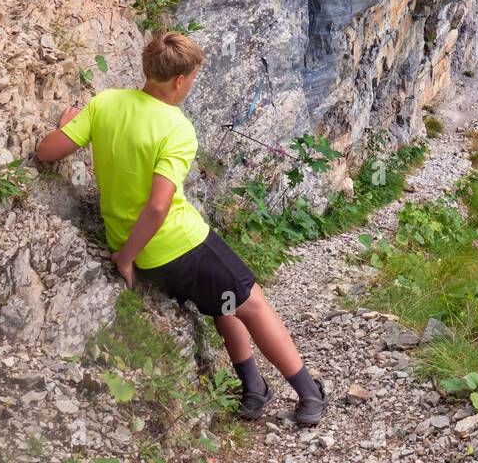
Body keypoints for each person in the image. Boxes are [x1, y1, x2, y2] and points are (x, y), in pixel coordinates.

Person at [35, 31, 326, 427]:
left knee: (222, 300)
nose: (191, 84)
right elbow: (158, 205)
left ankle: (254, 388)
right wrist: (126, 258)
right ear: (179, 80)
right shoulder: (176, 128)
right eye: (193, 78)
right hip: (176, 245)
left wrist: (68, 127)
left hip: (143, 254)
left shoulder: (105, 104)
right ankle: (309, 392)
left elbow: (46, 151)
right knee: (252, 302)